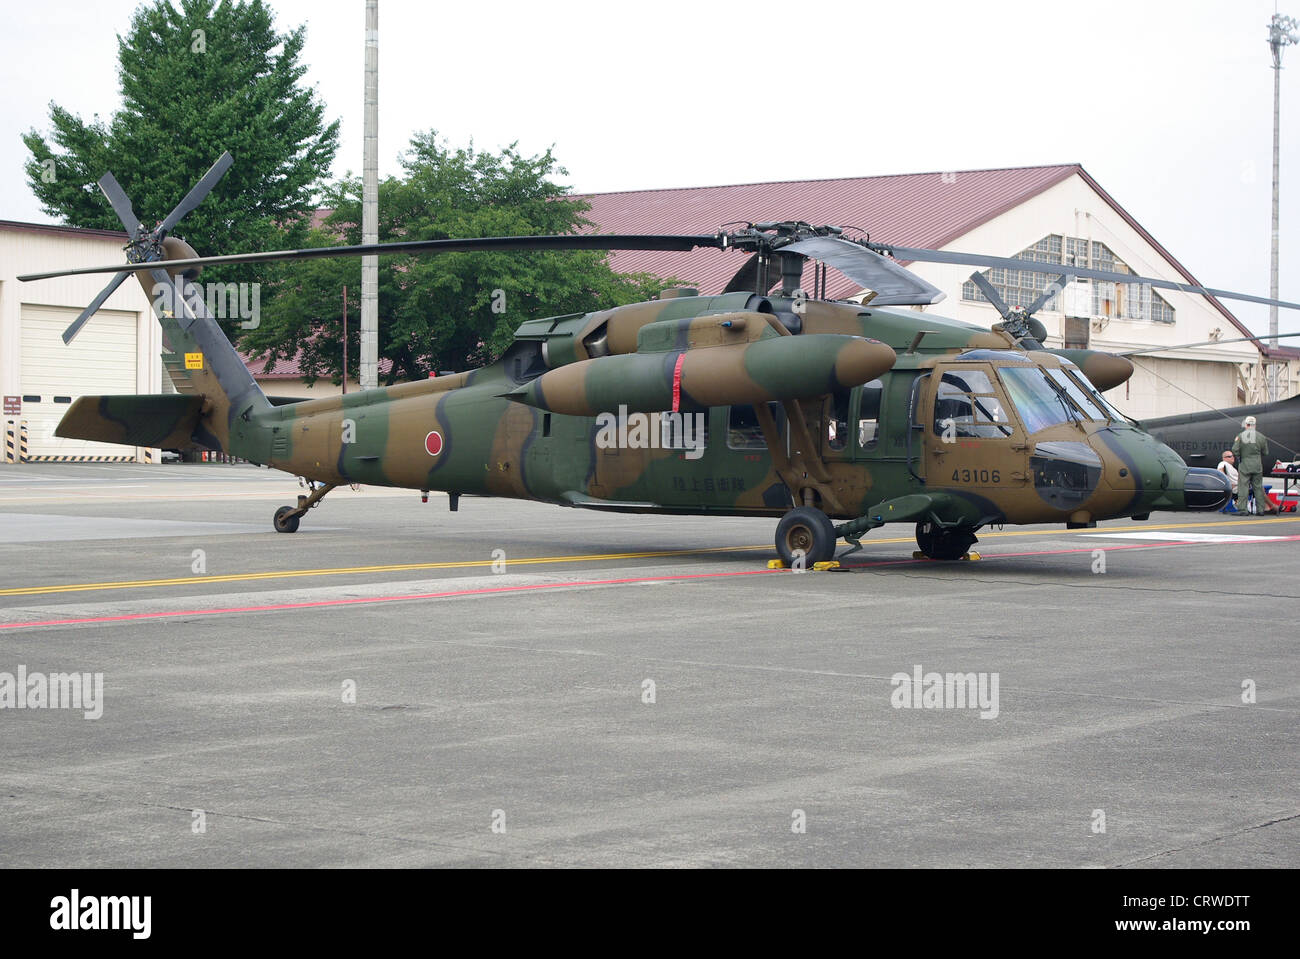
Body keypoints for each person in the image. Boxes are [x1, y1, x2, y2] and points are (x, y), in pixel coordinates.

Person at [1231, 416, 1278, 515]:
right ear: (1255, 425)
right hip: (1257, 465)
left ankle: (1243, 510)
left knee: (1243, 487)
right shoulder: (1261, 436)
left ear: (1246, 425)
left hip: (1244, 465)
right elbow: (1265, 452)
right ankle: (1261, 510)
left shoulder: (1240, 436)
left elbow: (1235, 450)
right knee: (1258, 487)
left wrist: (1241, 457)